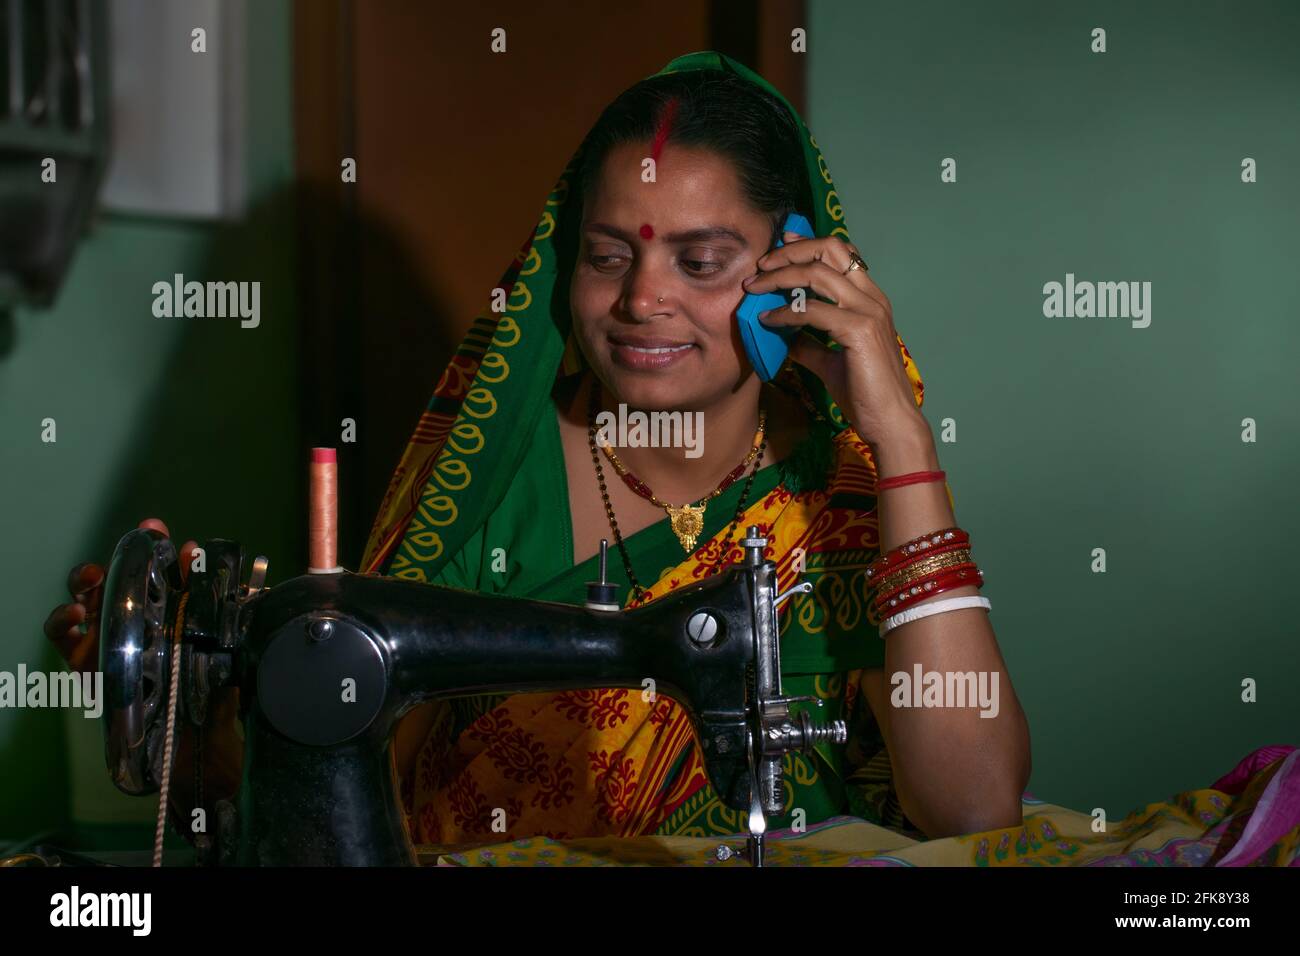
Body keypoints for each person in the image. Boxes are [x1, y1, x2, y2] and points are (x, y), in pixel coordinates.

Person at [46, 52, 1297, 865]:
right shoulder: (495, 469)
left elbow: (970, 805)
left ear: (794, 268)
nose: (642, 300)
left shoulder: (839, 483)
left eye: (702, 260)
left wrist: (904, 437)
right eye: (606, 255)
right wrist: (203, 730)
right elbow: (358, 761)